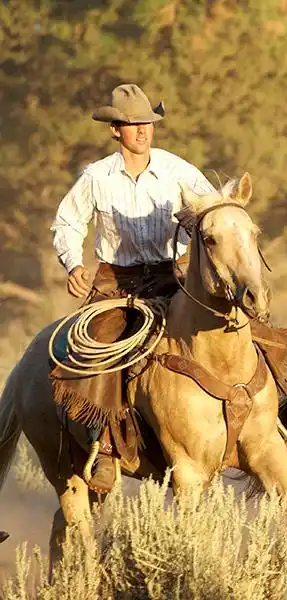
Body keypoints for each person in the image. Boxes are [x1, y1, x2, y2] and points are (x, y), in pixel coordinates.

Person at [49, 83, 218, 493]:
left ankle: (262, 424)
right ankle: (105, 447)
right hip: (116, 282)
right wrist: (73, 263)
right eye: (132, 123)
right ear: (115, 130)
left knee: (231, 326)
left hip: (172, 276)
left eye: (147, 122)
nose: (142, 130)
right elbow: (68, 222)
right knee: (102, 348)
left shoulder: (179, 171)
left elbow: (213, 211)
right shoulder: (96, 177)